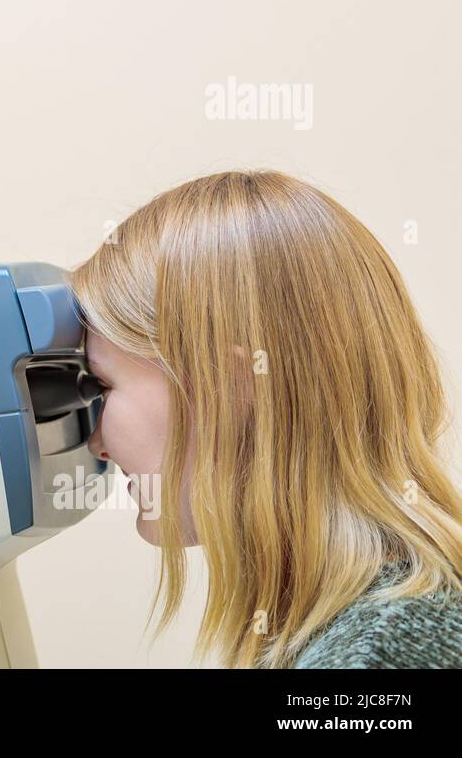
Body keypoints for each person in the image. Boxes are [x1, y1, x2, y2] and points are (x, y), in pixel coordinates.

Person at [71, 169, 462, 668]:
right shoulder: (371, 628)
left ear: (230, 386)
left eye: (103, 386)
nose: (96, 441)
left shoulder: (379, 653)